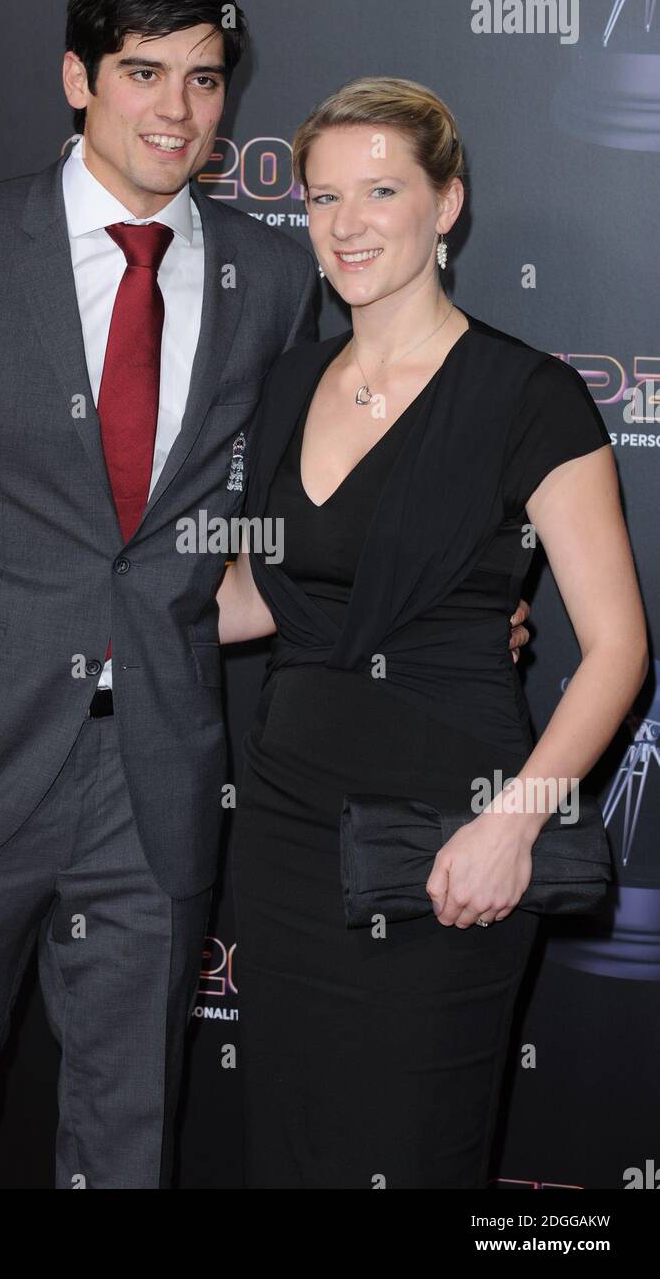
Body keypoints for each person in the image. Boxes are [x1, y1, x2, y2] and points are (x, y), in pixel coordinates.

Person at [0, 0, 326, 1190]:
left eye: (204, 80)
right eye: (143, 73)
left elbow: (298, 514)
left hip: (150, 773)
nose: (176, 110)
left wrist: (436, 610)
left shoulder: (271, 275)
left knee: (129, 1131)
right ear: (75, 78)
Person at [217, 77, 649, 1189]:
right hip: (285, 824)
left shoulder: (529, 396)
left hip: (446, 835)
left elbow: (616, 649)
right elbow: (263, 594)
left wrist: (512, 825)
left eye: (379, 191)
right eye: (320, 200)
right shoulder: (286, 381)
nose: (346, 225)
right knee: (288, 1141)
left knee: (413, 1151)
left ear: (445, 203)